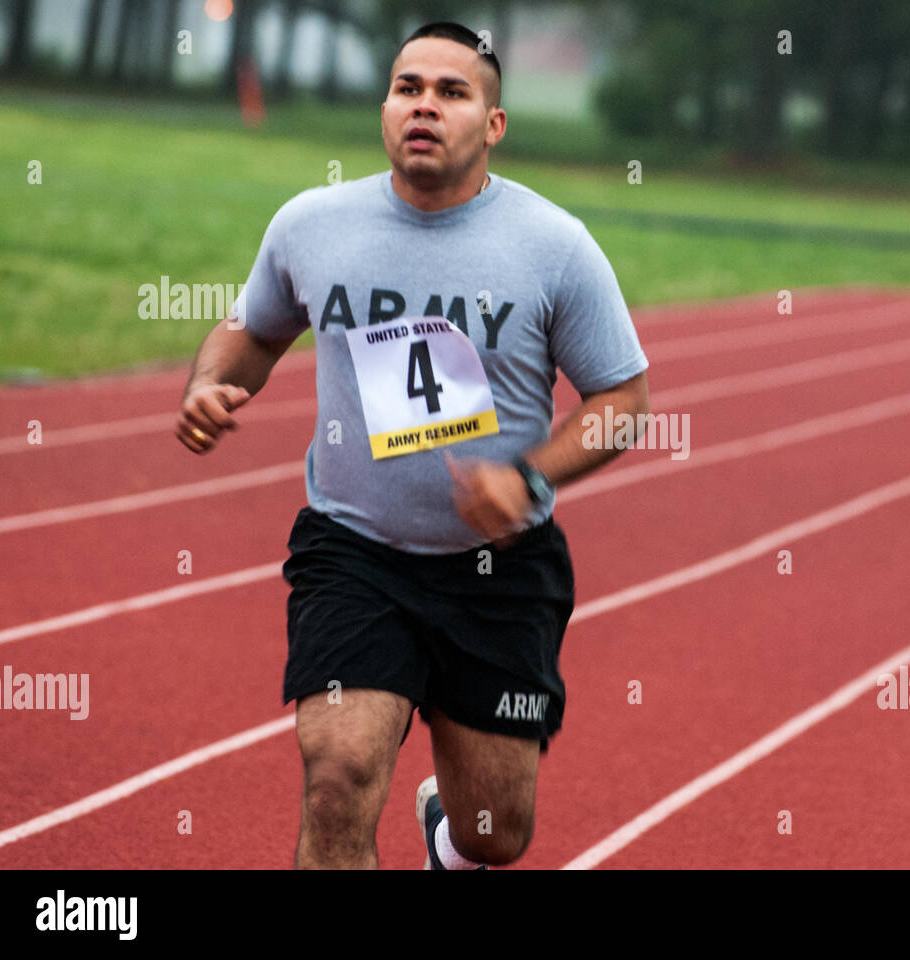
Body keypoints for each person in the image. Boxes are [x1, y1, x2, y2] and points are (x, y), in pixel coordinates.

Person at [174, 21, 650, 869]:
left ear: (493, 125)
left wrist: (529, 476)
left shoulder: (555, 247)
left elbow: (624, 401)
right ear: (386, 106)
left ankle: (450, 838)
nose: (424, 106)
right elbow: (251, 331)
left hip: (497, 570)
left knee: (495, 834)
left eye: (451, 92)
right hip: (354, 552)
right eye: (407, 88)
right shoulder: (314, 225)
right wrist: (213, 384)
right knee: (337, 775)